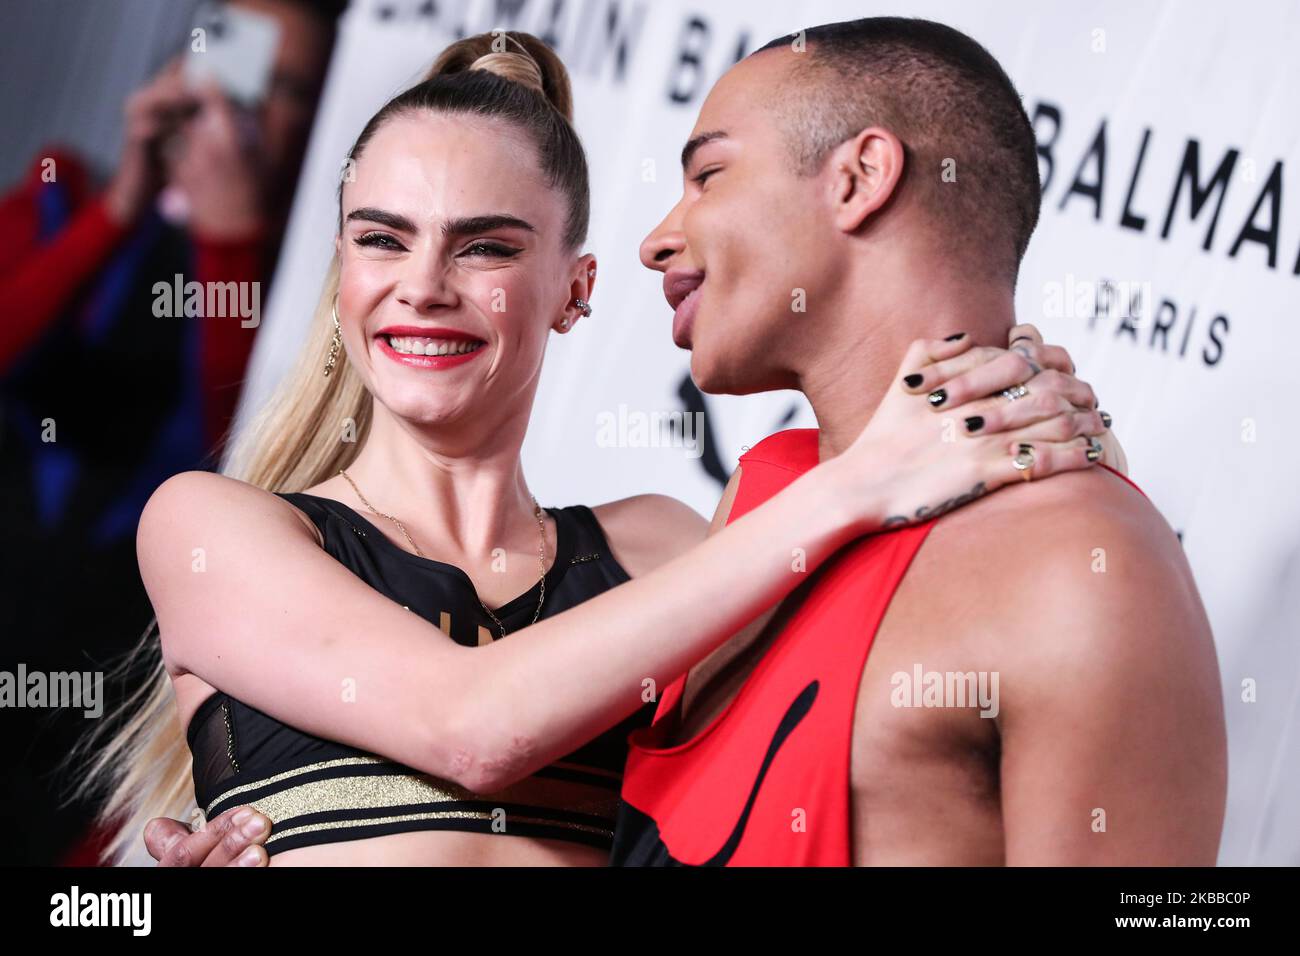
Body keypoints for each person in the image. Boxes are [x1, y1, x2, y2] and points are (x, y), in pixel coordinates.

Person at [87, 29, 1114, 867]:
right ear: (343, 267)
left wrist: (1021, 399)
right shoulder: (212, 526)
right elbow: (475, 727)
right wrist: (863, 478)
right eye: (381, 237)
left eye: (485, 244)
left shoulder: (673, 547)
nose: (424, 284)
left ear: (576, 292)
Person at [608, 17, 1225, 865]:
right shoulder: (765, 492)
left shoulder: (1083, 564)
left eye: (709, 175)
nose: (658, 240)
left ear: (859, 178)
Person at [0, 0, 343, 865]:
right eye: (227, 65)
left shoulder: (309, 280)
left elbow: (259, 460)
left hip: (102, 715)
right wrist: (121, 203)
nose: (241, 107)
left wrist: (232, 241)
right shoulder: (65, 192)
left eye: (284, 89)